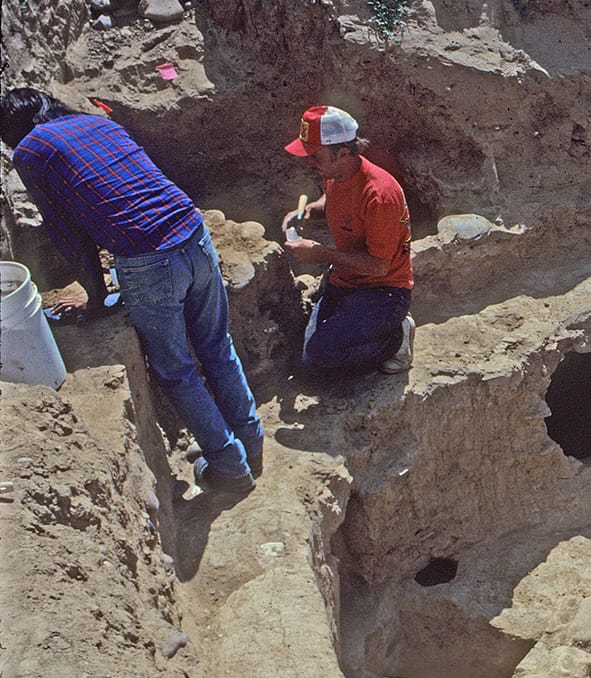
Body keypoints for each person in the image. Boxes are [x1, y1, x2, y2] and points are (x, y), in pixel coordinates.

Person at [1, 87, 262, 495]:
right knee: (216, 346)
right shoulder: (95, 122)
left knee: (176, 372)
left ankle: (230, 467)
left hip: (148, 259)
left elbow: (66, 231)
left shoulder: (31, 150)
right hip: (195, 234)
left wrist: (96, 295)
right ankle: (251, 443)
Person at [280, 105, 414, 377]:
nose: (309, 163)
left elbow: (378, 267)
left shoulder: (380, 196)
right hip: (348, 279)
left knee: (322, 355)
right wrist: (307, 212)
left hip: (384, 291)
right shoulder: (337, 173)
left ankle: (396, 338)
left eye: (315, 156)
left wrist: (319, 253)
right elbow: (331, 200)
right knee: (308, 360)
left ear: (343, 153)